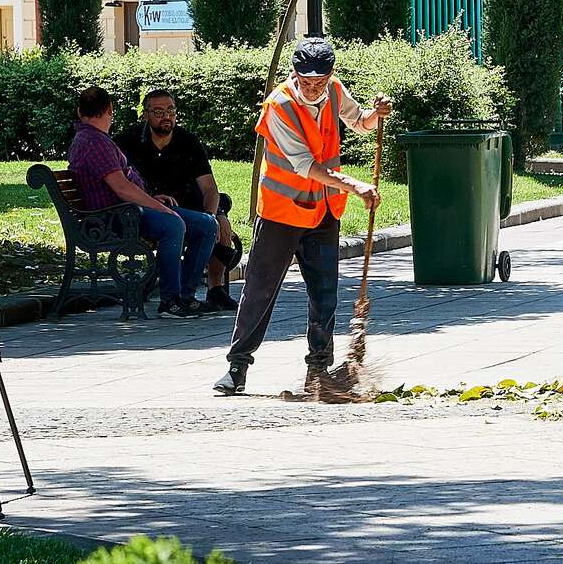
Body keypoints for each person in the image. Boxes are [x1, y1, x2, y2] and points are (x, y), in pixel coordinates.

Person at [213, 38, 386, 397]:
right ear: (294, 74)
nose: (312, 89)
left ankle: (318, 372)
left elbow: (359, 122)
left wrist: (376, 115)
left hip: (323, 211)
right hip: (281, 212)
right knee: (260, 288)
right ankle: (237, 366)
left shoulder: (334, 90)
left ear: (330, 76)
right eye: (305, 82)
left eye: (319, 82)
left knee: (324, 293)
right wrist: (356, 186)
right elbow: (305, 165)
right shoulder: (279, 106)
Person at [66, 86, 219, 318]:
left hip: (128, 212)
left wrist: (153, 201)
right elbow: (121, 187)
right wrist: (160, 208)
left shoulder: (95, 139)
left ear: (80, 112)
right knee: (173, 224)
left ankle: (185, 298)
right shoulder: (93, 142)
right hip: (115, 219)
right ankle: (170, 300)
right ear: (109, 109)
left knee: (207, 224)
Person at [117, 88, 242, 312]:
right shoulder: (128, 142)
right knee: (187, 225)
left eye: (171, 110)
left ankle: (200, 293)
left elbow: (210, 189)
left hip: (191, 205)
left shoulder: (188, 141)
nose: (166, 116)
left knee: (214, 224)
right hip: (150, 210)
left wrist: (212, 217)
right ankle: (174, 299)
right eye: (158, 111)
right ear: (145, 115)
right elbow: (121, 184)